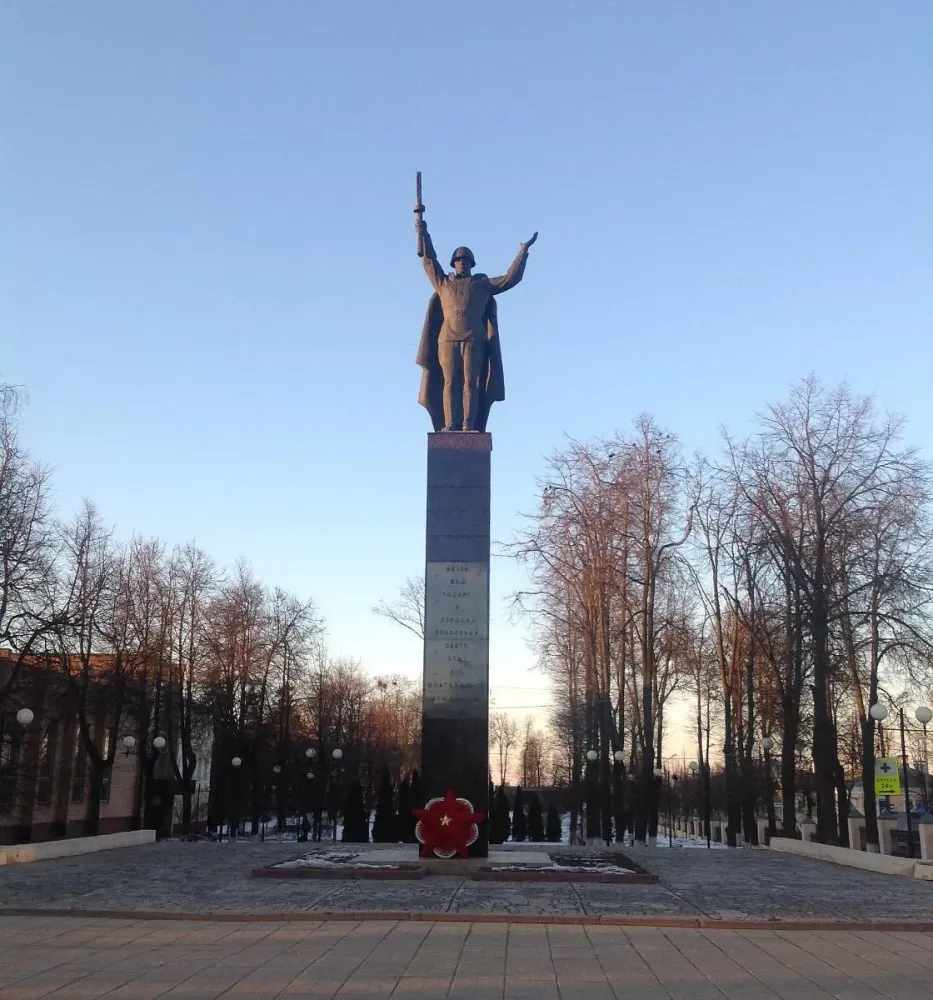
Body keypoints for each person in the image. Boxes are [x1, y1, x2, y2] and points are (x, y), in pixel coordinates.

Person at [415, 218, 537, 431]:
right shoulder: (443, 283)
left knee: (471, 383)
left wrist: (523, 251)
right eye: (459, 260)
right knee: (450, 382)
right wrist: (421, 229)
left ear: (472, 264)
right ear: (453, 263)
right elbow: (428, 259)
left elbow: (511, 278)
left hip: (474, 339)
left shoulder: (483, 284)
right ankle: (451, 424)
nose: (463, 263)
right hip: (448, 339)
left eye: (466, 260)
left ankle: (469, 425)